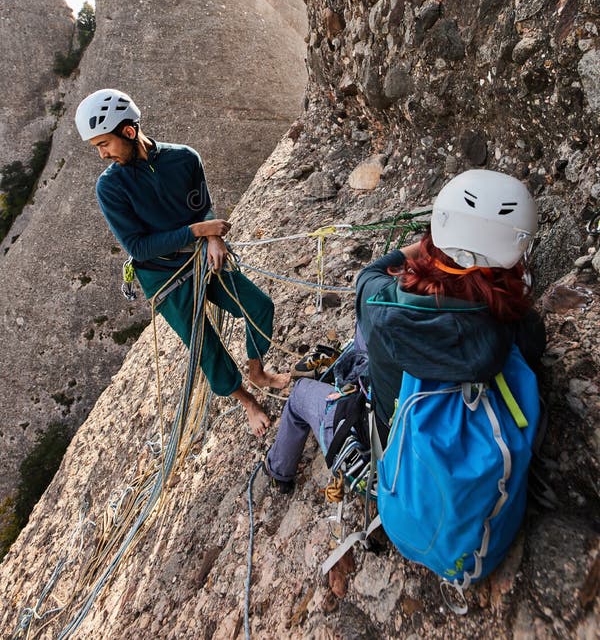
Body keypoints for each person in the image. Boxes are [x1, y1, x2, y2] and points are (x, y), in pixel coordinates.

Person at [264, 169, 546, 491]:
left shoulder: (383, 305)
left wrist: (427, 247)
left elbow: (369, 273)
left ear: (437, 237)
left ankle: (278, 473)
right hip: (460, 446)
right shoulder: (519, 325)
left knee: (300, 395)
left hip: (385, 455)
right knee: (367, 335)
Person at [75, 88, 289, 437]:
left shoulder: (185, 159)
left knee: (259, 306)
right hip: (162, 276)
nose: (102, 155)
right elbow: (139, 247)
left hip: (199, 256)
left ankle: (258, 371)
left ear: (128, 132)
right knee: (206, 345)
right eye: (98, 147)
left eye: (104, 144)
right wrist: (198, 232)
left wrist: (214, 237)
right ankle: (248, 402)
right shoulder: (110, 187)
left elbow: (202, 207)